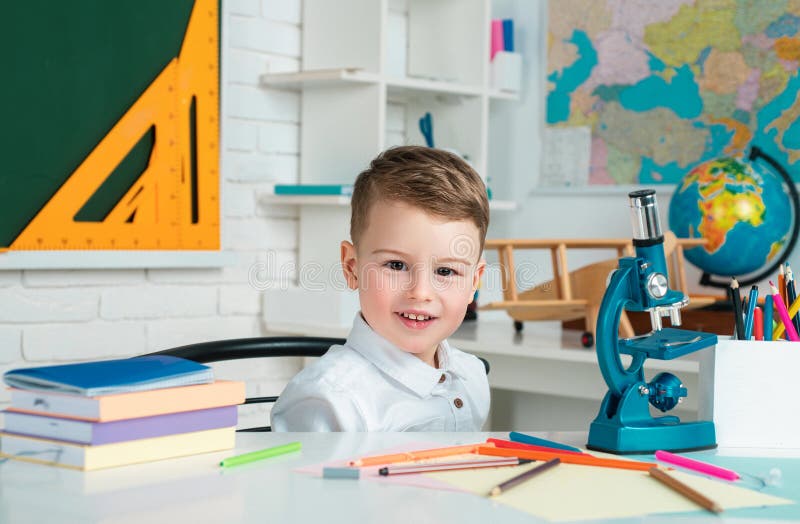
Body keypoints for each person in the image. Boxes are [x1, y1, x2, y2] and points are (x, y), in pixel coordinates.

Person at [271, 146, 490, 431]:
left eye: (445, 271)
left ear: (474, 281)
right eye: (396, 265)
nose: (421, 292)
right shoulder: (330, 401)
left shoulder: (472, 377)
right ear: (352, 267)